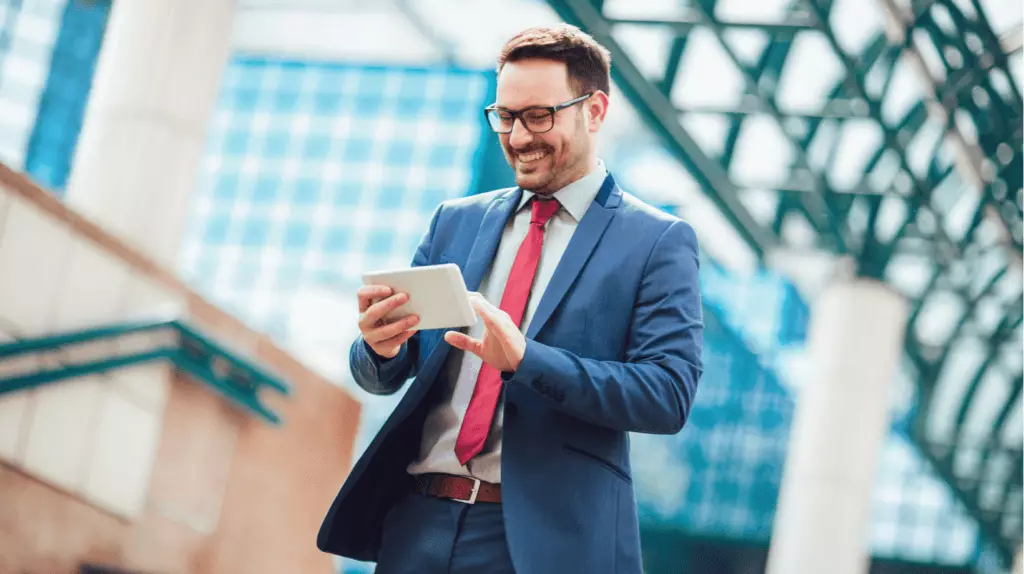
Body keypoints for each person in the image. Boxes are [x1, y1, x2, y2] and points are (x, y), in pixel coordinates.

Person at [317, 24, 703, 574]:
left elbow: (667, 395)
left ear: (594, 111)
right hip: (417, 524)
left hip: (541, 542)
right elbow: (385, 373)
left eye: (539, 116)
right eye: (506, 116)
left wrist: (526, 361)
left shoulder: (657, 242)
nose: (520, 136)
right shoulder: (456, 221)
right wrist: (379, 349)